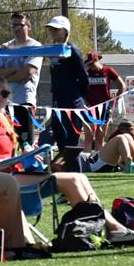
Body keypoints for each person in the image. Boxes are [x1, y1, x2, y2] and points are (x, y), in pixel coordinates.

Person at [0, 76, 134, 245]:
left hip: (18, 174)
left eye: (5, 93)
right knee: (72, 180)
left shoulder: (3, 120)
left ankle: (113, 229)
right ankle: (108, 230)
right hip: (3, 181)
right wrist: (20, 159)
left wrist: (30, 154)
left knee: (80, 177)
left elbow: (8, 155)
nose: (0, 96)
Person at [41, 15, 90, 169]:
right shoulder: (53, 50)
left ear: (66, 31)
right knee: (60, 139)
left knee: (71, 145)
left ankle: (77, 177)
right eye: (51, 29)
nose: (53, 32)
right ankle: (64, 177)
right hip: (58, 103)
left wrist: (80, 99)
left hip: (72, 104)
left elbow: (84, 78)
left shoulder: (72, 50)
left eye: (57, 29)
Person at [0, 11, 42, 136]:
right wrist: (15, 69)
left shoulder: (35, 46)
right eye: (13, 25)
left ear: (28, 26)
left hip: (24, 102)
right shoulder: (4, 48)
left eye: (20, 25)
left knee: (25, 142)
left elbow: (27, 72)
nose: (16, 28)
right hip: (3, 102)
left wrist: (4, 77)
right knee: (6, 141)